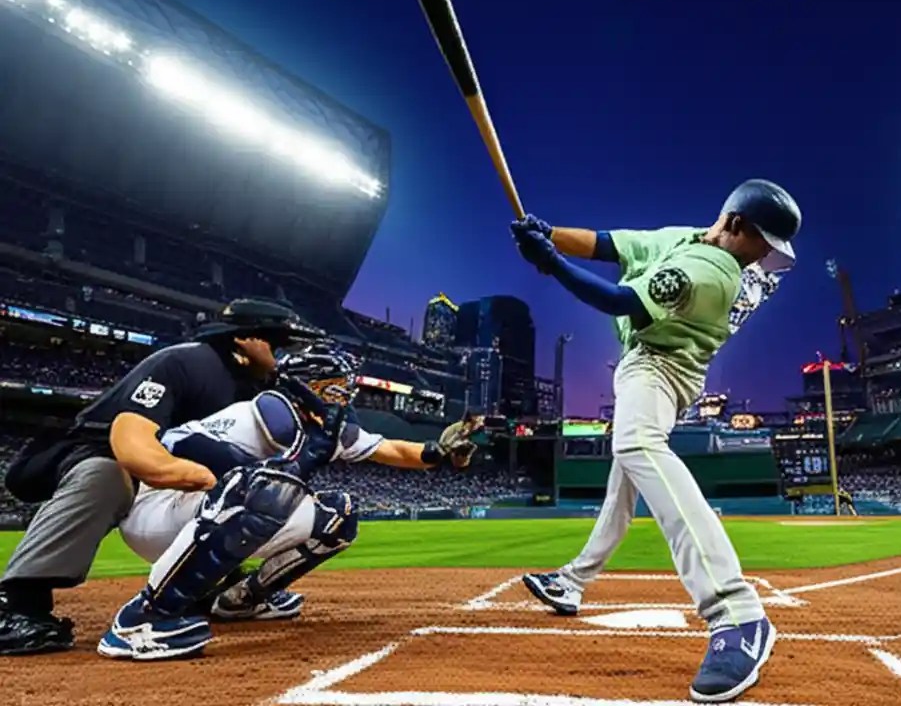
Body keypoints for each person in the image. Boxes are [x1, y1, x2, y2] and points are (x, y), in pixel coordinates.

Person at [510, 179, 800, 703]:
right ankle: (573, 580)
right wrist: (547, 234)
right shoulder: (679, 238)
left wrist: (549, 261)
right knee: (623, 483)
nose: (763, 259)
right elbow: (606, 244)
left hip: (663, 368)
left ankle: (735, 610)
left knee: (637, 446)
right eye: (763, 244)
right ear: (734, 223)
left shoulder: (713, 273)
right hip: (649, 364)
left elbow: (619, 298)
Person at [0, 299, 320, 656]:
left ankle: (215, 587)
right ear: (246, 340)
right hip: (100, 450)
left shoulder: (254, 390)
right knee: (107, 474)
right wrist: (190, 473)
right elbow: (130, 438)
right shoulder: (189, 362)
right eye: (280, 345)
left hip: (168, 468)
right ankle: (16, 603)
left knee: (249, 489)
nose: (287, 355)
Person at [98, 340, 448, 660]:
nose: (343, 396)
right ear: (310, 386)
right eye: (335, 387)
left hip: (209, 513)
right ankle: (143, 618)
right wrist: (306, 456)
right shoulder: (267, 413)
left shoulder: (322, 427)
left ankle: (241, 600)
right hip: (158, 513)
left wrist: (443, 453)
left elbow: (394, 449)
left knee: (339, 514)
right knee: (266, 489)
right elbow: (202, 458)